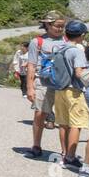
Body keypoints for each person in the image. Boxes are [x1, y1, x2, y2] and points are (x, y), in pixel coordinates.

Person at [23, 12, 66, 160]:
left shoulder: (67, 40)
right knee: (39, 114)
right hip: (42, 82)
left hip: (62, 83)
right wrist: (30, 87)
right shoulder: (37, 42)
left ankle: (65, 151)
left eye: (62, 26)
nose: (60, 29)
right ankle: (36, 145)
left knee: (64, 118)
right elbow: (32, 65)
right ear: (47, 25)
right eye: (57, 26)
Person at [52, 19, 89, 171]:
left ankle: (64, 153)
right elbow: (79, 73)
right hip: (74, 91)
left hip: (59, 89)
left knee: (63, 123)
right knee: (77, 123)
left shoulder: (60, 48)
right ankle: (70, 157)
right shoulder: (77, 51)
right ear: (81, 35)